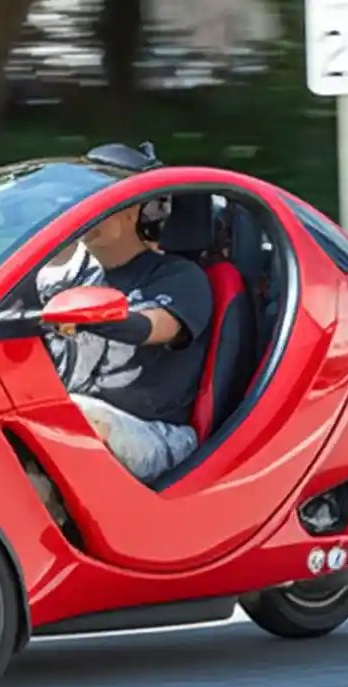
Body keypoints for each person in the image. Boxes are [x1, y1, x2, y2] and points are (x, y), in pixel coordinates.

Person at [33, 201, 213, 492]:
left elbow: (155, 327)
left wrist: (97, 317)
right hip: (86, 414)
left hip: (157, 435)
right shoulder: (82, 278)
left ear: (133, 211)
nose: (85, 214)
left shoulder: (181, 277)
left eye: (98, 206)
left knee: (65, 418)